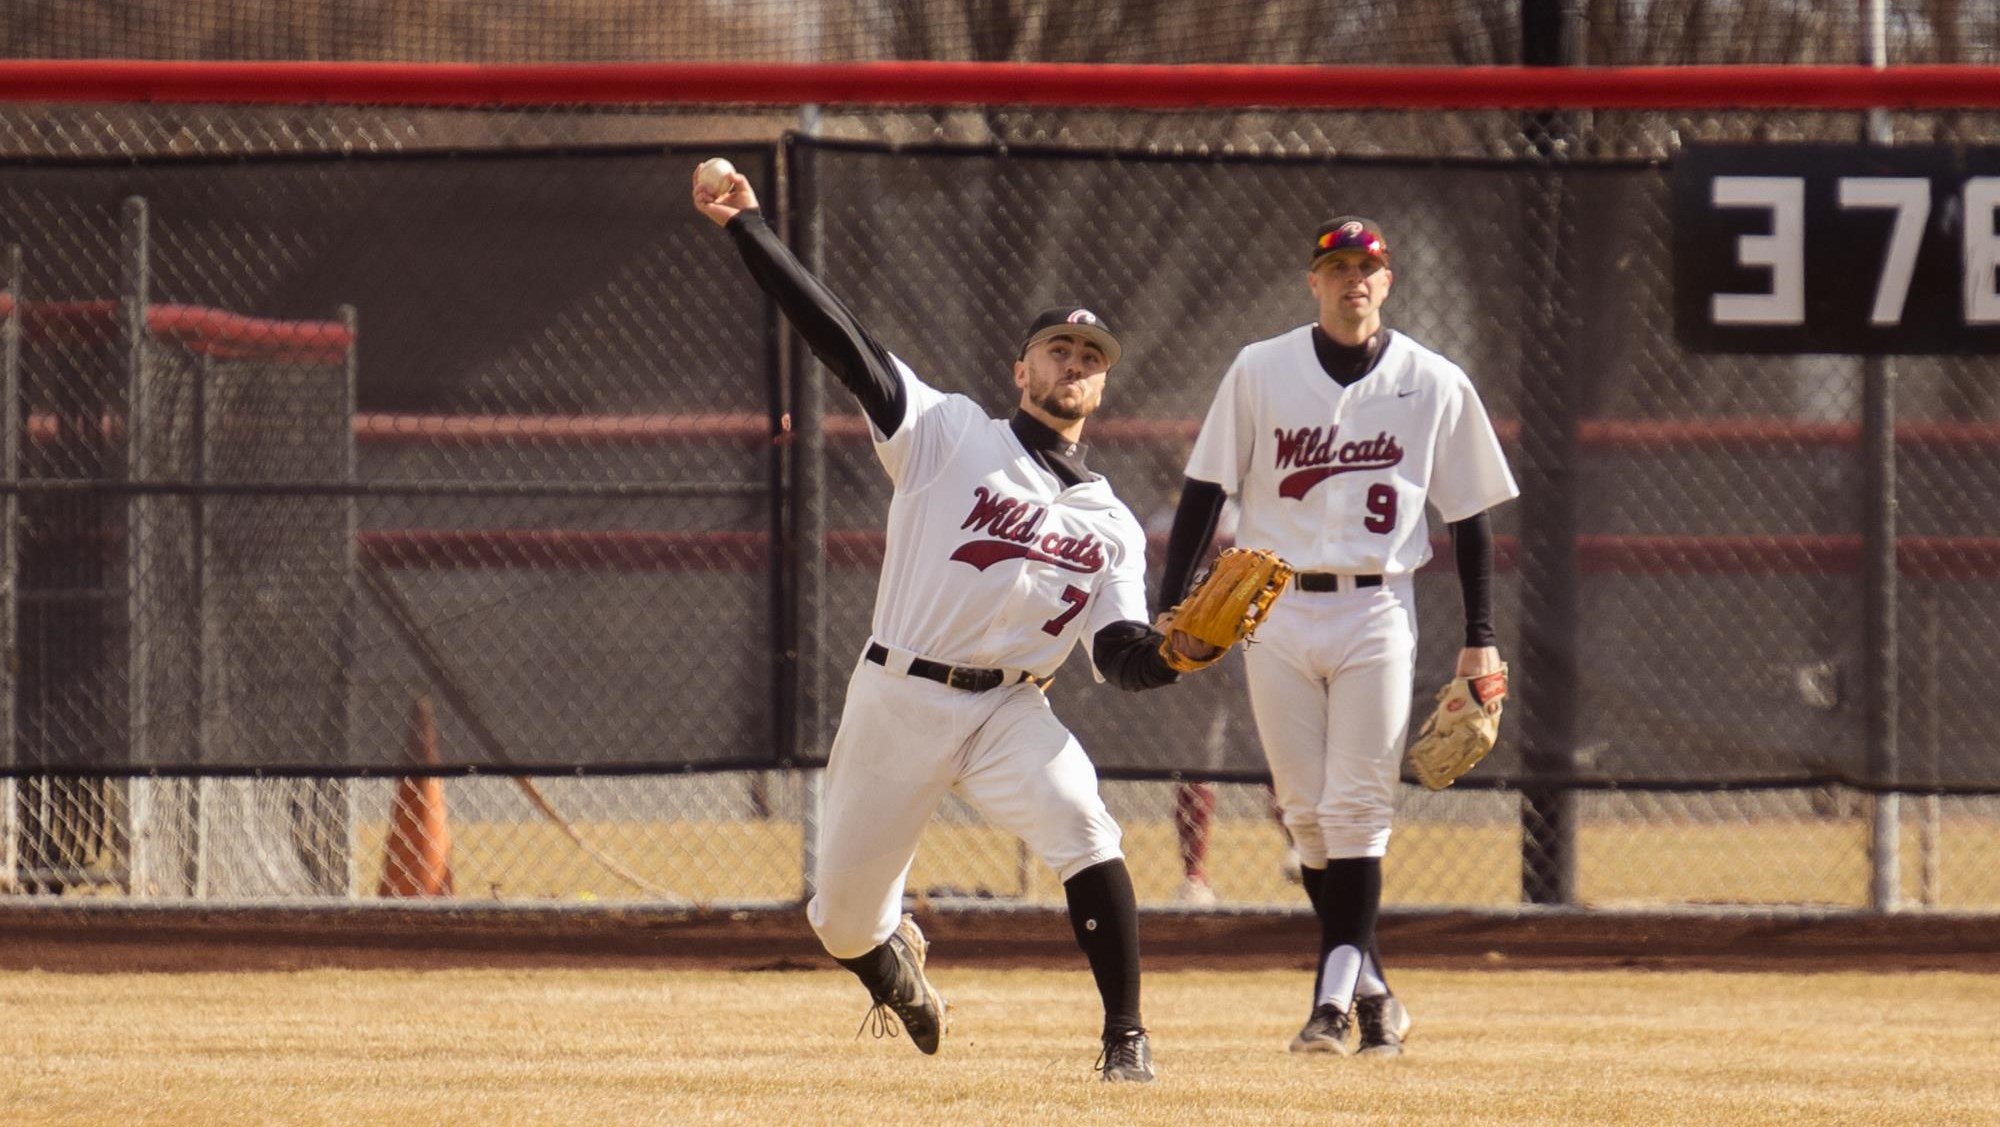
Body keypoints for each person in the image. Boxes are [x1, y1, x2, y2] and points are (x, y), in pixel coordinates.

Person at [694, 163, 1207, 1083]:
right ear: (1022, 369)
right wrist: (750, 231)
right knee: (842, 919)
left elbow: (1119, 654)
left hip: (1008, 711)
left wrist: (1174, 654)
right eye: (1058, 349)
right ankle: (893, 962)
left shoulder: (1114, 526)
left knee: (1084, 824)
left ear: (1101, 388)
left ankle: (1124, 1036)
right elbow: (841, 338)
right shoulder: (947, 430)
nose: (1074, 365)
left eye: (1089, 359)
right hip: (899, 693)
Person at [1158, 216, 1518, 1057]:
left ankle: (1330, 1004)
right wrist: (1170, 603)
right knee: (1309, 817)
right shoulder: (1260, 369)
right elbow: (1204, 491)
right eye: (1339, 266)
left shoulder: (1433, 380)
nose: (1354, 278)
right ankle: (1378, 992)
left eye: (1368, 267)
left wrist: (1481, 636)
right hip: (1272, 608)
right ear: (1312, 281)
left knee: (1357, 809)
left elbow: (1469, 520)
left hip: (1376, 610)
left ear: (1386, 284)